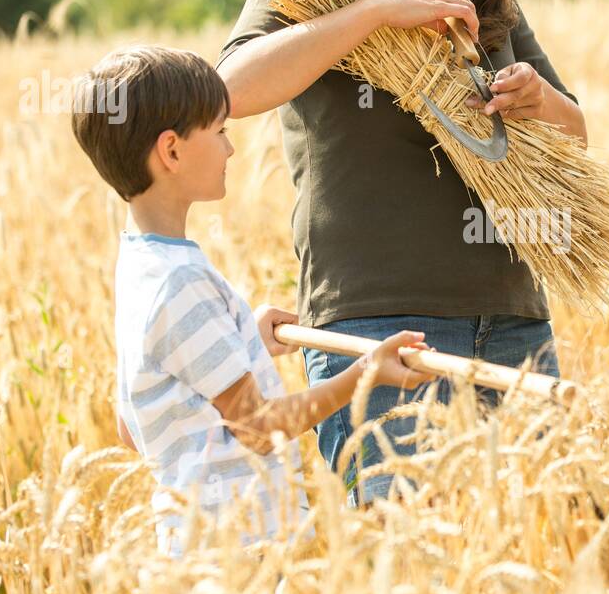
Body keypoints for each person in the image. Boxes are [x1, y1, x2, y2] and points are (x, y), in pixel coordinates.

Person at [216, 0, 583, 505]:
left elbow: (576, 140)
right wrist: (380, 12)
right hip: (377, 330)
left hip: (511, 320)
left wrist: (541, 101)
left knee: (532, 573)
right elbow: (227, 91)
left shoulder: (495, 5)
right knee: (412, 569)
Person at [71, 45, 434, 556]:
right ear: (172, 151)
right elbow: (259, 429)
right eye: (219, 132)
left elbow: (136, 426)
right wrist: (365, 373)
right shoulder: (182, 284)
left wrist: (245, 341)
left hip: (197, 547)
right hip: (243, 553)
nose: (231, 149)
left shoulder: (140, 265)